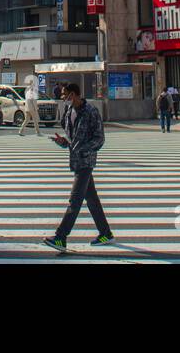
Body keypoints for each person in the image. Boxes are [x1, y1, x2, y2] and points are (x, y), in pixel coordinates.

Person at [42, 83, 113, 252]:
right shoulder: (68, 112)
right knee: (92, 200)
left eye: (65, 95)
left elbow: (100, 138)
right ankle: (106, 233)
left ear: (73, 95)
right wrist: (64, 143)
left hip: (86, 162)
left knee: (75, 201)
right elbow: (72, 140)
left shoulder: (91, 112)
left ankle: (60, 237)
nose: (63, 98)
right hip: (76, 161)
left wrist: (83, 149)